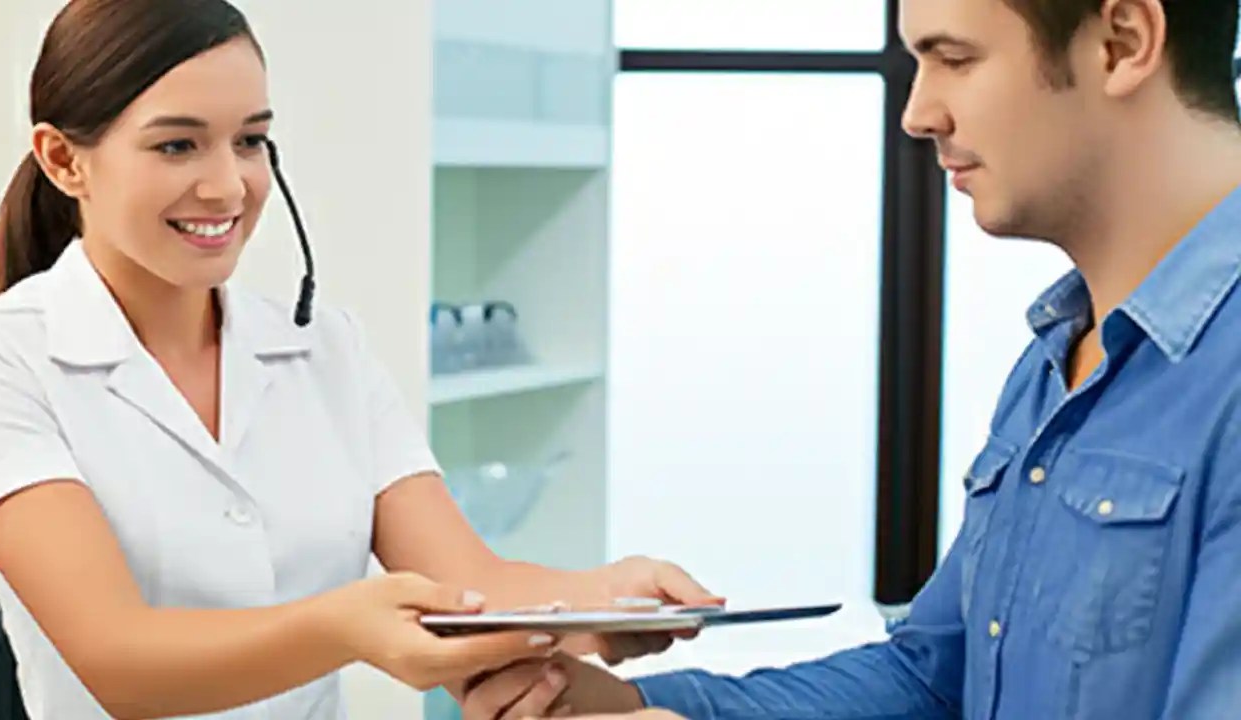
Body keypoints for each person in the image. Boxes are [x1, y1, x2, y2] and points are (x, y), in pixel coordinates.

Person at [458, 0, 1241, 718]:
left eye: (955, 59)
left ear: (1121, 42)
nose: (917, 113)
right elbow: (936, 679)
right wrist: (634, 706)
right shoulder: (1061, 355)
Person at [0, 1, 720, 718]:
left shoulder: (327, 346)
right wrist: (347, 627)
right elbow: (119, 657)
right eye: (176, 145)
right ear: (64, 160)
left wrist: (600, 600)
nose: (228, 184)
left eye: (251, 140)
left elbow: (469, 580)